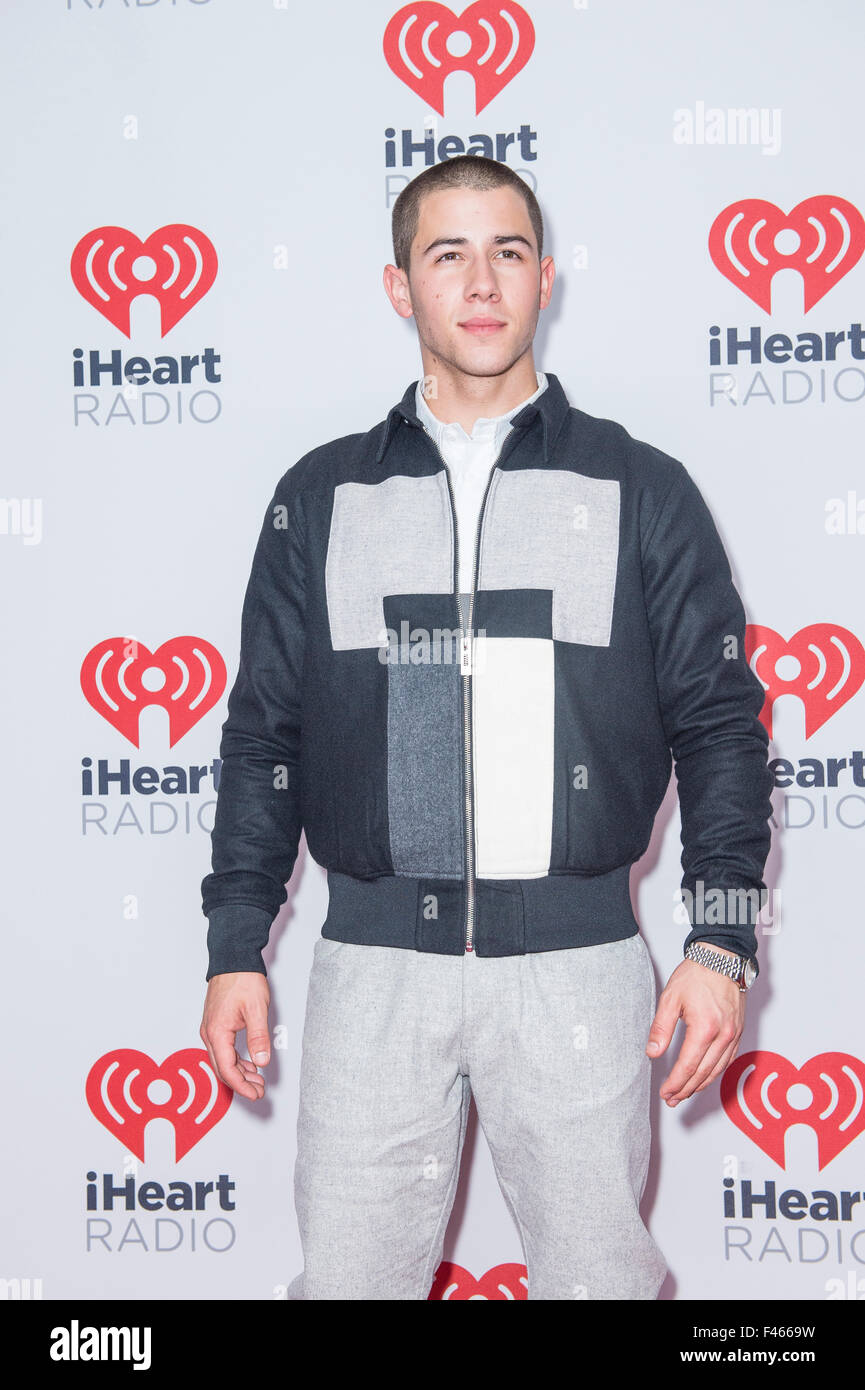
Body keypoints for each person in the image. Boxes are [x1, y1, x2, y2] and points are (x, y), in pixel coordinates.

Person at [199, 155, 773, 1300]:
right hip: (371, 972)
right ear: (398, 286)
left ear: (545, 277)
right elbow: (266, 732)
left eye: (507, 252)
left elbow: (720, 727)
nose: (480, 281)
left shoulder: (638, 486)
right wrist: (233, 943)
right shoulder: (322, 495)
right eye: (446, 253)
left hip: (577, 972)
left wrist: (719, 939)